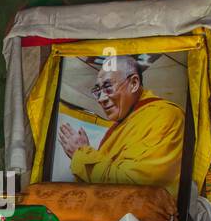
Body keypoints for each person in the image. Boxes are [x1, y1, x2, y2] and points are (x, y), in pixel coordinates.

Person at [58, 56, 185, 195]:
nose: (101, 99)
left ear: (134, 83)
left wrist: (82, 155)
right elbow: (102, 186)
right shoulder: (122, 125)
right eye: (98, 91)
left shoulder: (164, 115)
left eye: (108, 87)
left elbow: (135, 187)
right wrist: (85, 154)